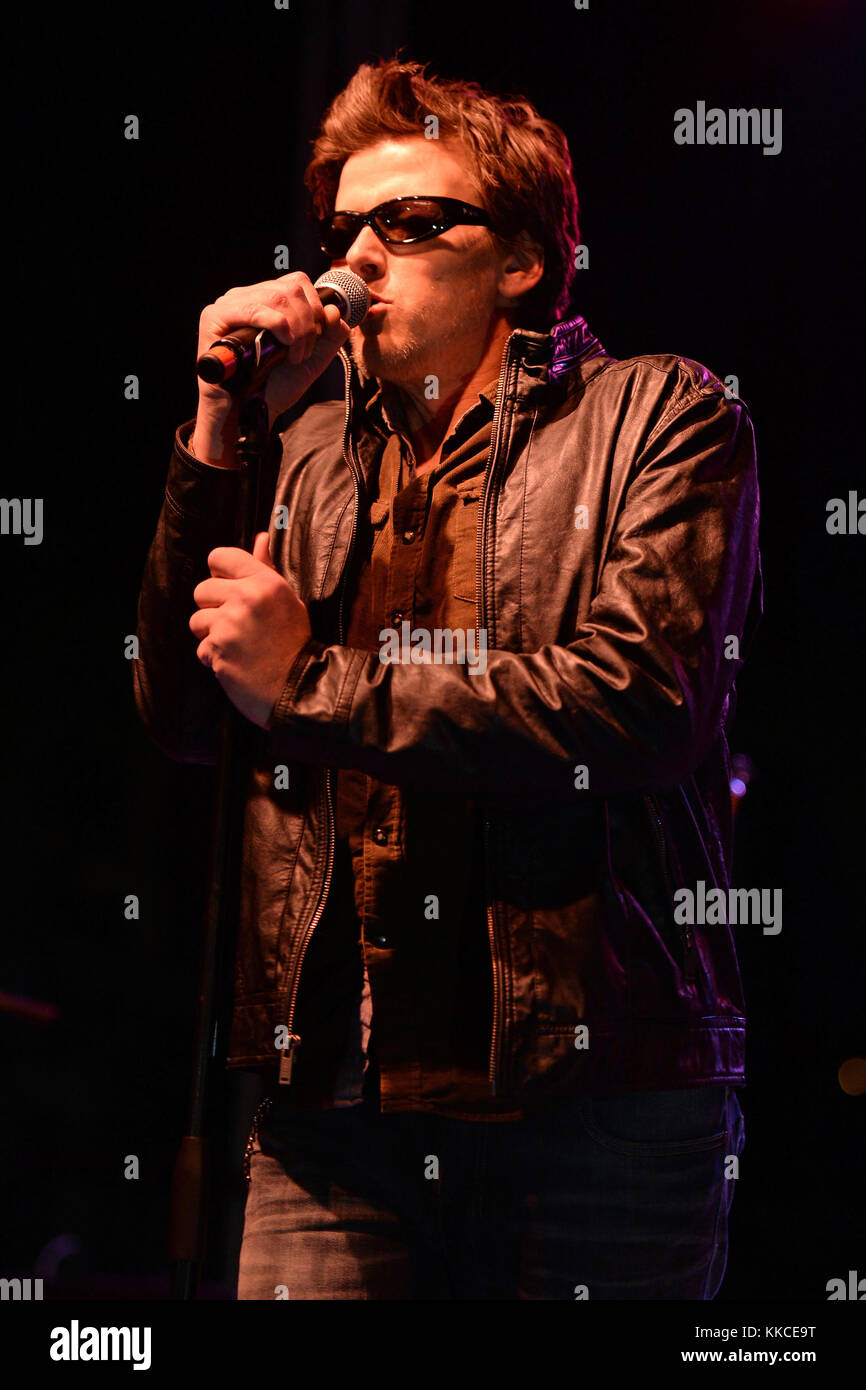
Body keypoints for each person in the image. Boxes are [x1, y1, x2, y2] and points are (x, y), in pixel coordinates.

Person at [133, 56, 761, 1300]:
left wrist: (310, 681)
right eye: (344, 228)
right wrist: (217, 426)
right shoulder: (301, 452)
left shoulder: (659, 415)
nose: (357, 257)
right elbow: (185, 712)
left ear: (518, 259)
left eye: (412, 223)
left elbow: (638, 700)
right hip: (331, 1112)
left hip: (595, 1100)